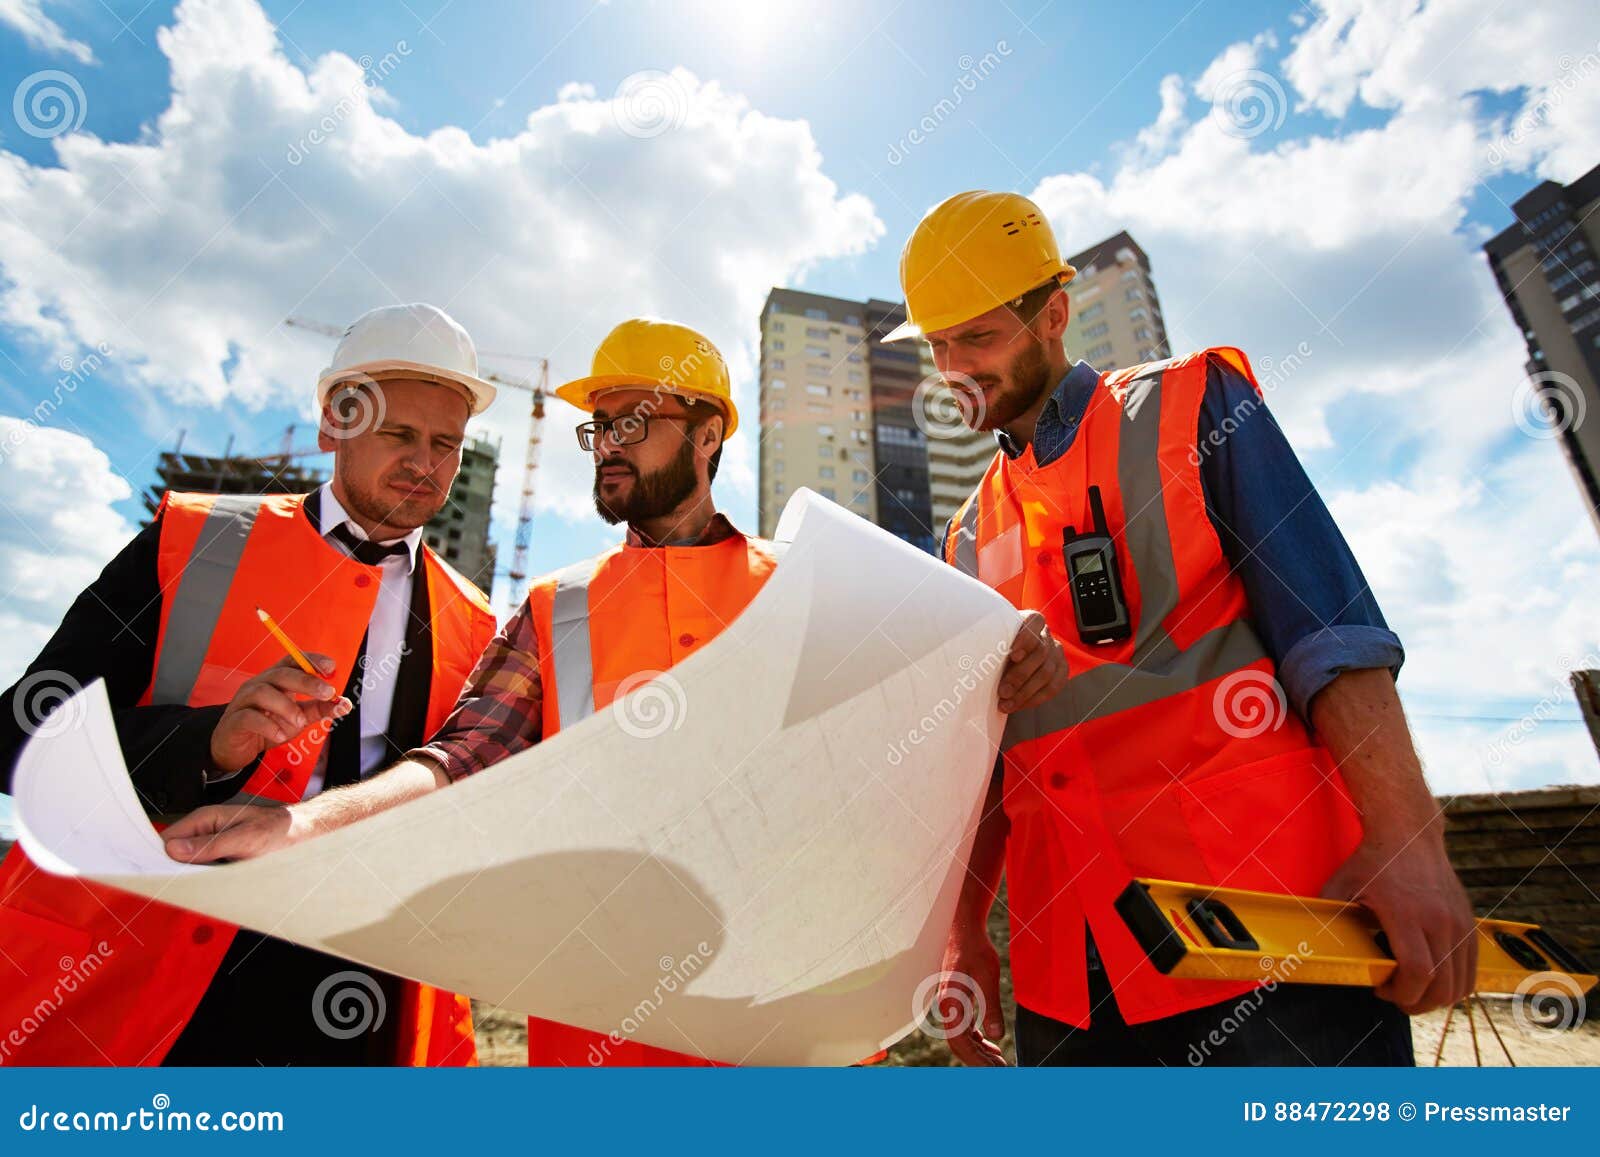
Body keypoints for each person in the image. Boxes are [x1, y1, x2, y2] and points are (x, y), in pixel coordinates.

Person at [160, 316, 1070, 1066]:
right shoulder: (555, 608)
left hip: (794, 1035)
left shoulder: (819, 587)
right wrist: (301, 823)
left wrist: (1012, 652)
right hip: (603, 1036)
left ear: (709, 432)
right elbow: (462, 757)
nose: (608, 447)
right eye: (602, 428)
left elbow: (944, 712)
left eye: (636, 420)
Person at [885, 190, 1476, 1067]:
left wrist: (1408, 840)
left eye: (977, 336)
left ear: (1053, 314)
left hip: (1270, 938)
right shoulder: (965, 532)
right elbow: (984, 762)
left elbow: (1334, 638)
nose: (953, 365)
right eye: (936, 344)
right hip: (1073, 977)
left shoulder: (1192, 409)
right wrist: (962, 931)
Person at [0, 303, 499, 1066]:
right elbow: (20, 737)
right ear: (335, 421)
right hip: (144, 966)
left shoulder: (470, 621)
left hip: (351, 992)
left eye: (447, 445)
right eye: (399, 434)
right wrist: (208, 744)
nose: (425, 464)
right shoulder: (193, 540)